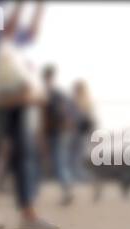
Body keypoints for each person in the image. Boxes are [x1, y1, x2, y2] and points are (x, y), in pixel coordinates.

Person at [0, 1, 55, 229]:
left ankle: (28, 213)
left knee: (24, 148)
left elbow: (27, 36)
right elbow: (5, 32)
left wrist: (38, 9)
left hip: (16, 89)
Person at [41, 65, 73, 205]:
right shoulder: (58, 93)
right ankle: (67, 187)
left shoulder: (45, 93)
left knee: (59, 163)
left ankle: (67, 189)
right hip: (60, 131)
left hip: (54, 132)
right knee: (60, 162)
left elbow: (43, 117)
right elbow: (66, 113)